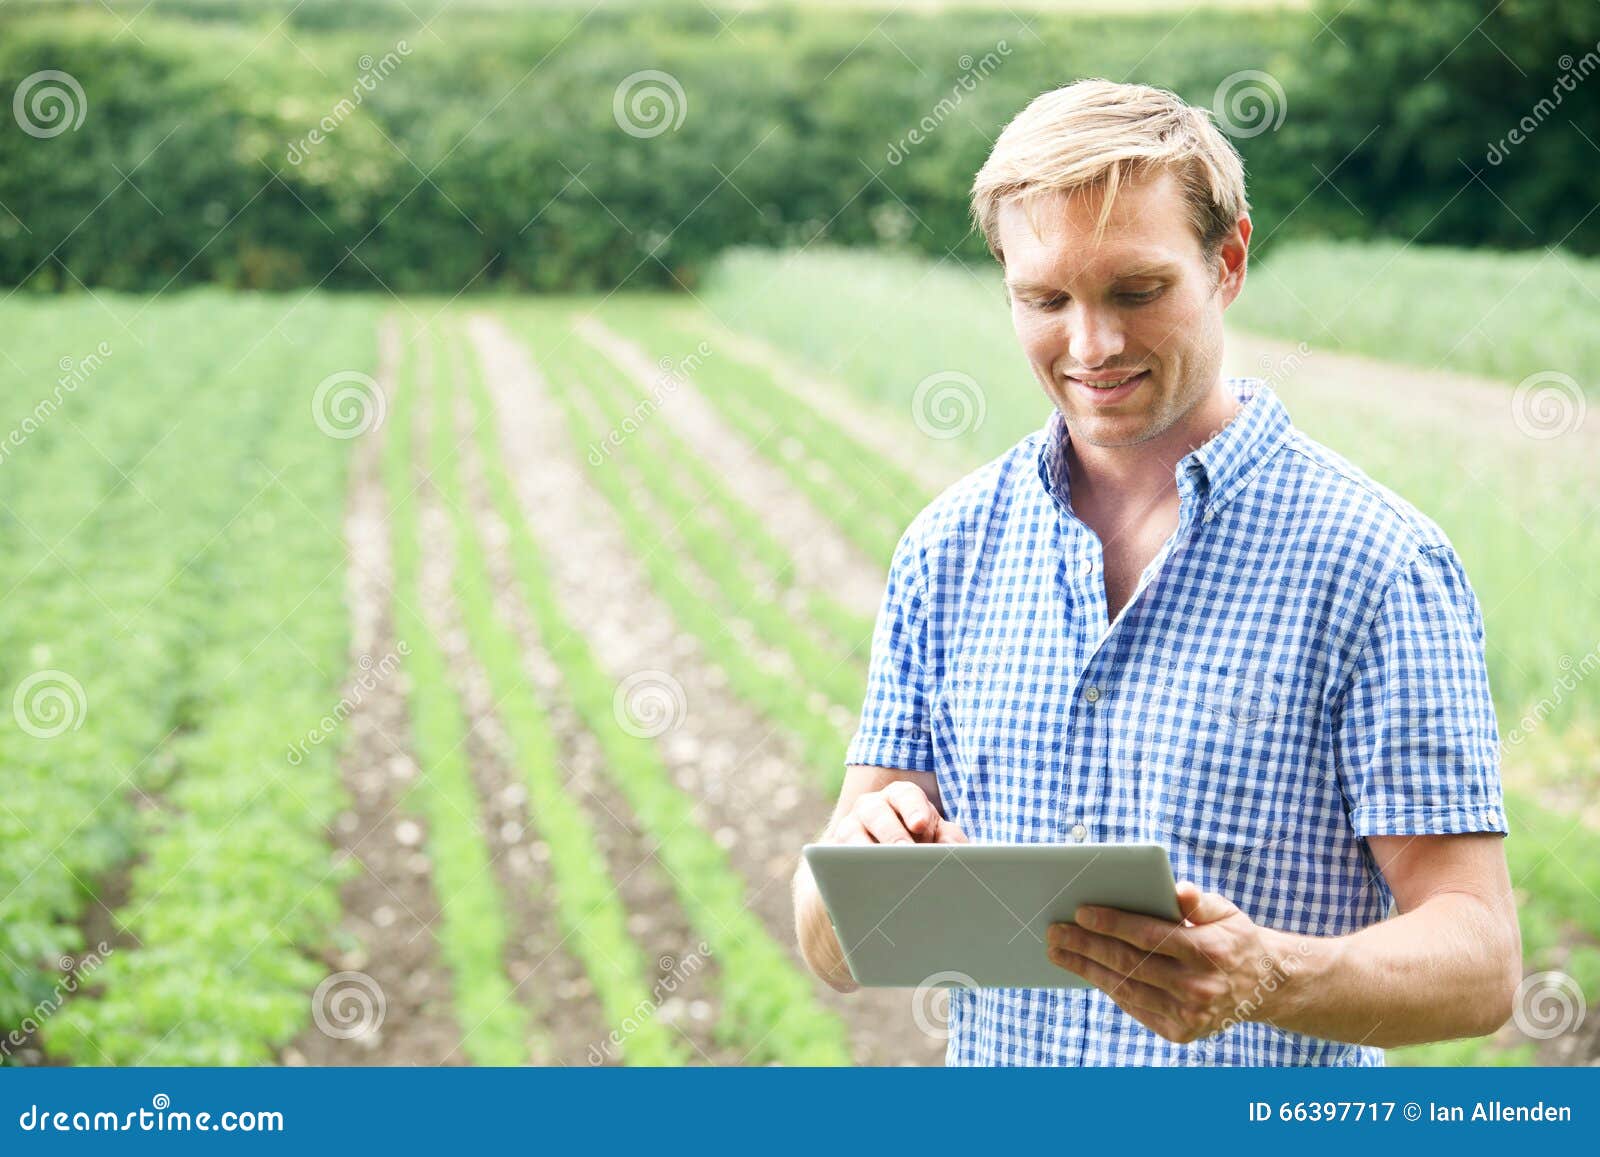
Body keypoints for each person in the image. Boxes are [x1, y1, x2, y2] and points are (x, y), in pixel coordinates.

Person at [792, 78, 1520, 1066]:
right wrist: (858, 869)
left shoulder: (1377, 563)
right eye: (1045, 300)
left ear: (1228, 261)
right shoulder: (947, 547)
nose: (1091, 345)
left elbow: (1480, 959)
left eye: (1135, 292)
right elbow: (828, 943)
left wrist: (1270, 975)